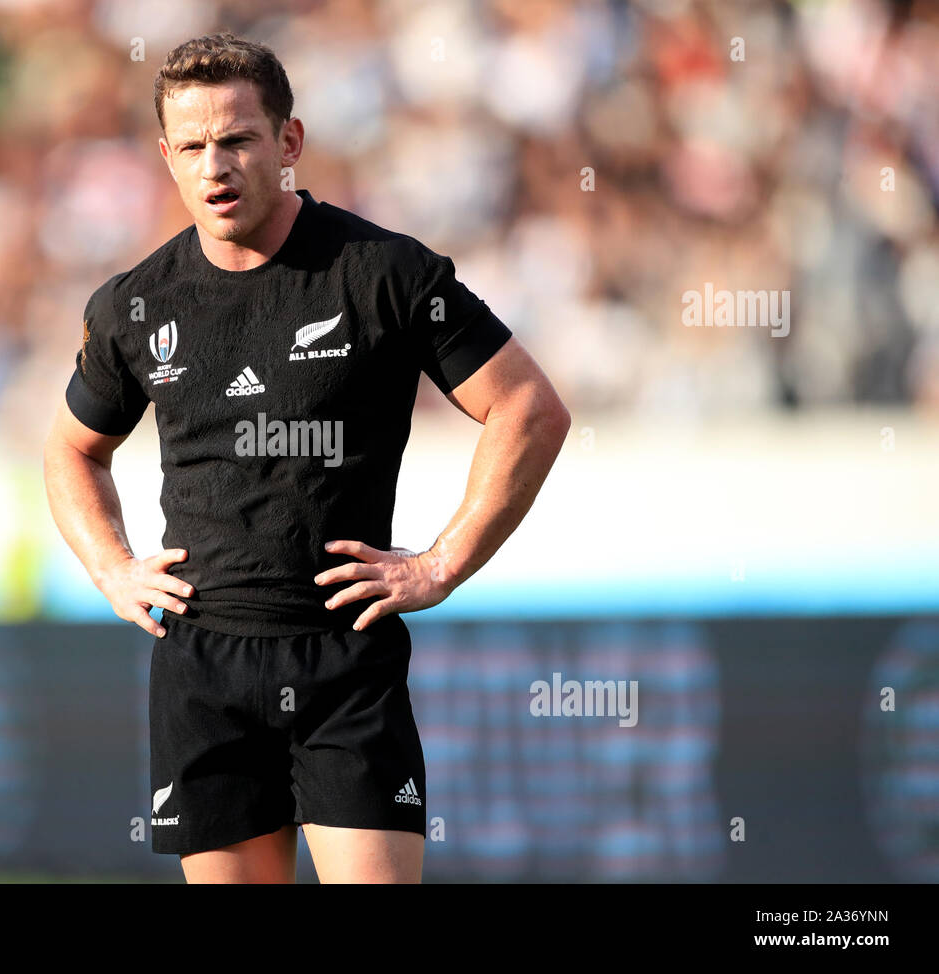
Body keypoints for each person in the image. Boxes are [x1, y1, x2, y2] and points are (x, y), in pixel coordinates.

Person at [43, 31, 570, 883]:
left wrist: (439, 565)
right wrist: (112, 569)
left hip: (344, 660)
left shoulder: (384, 274)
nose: (215, 166)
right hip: (202, 666)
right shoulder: (134, 305)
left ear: (287, 142)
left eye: (237, 139)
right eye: (192, 147)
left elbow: (529, 407)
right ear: (167, 158)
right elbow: (72, 450)